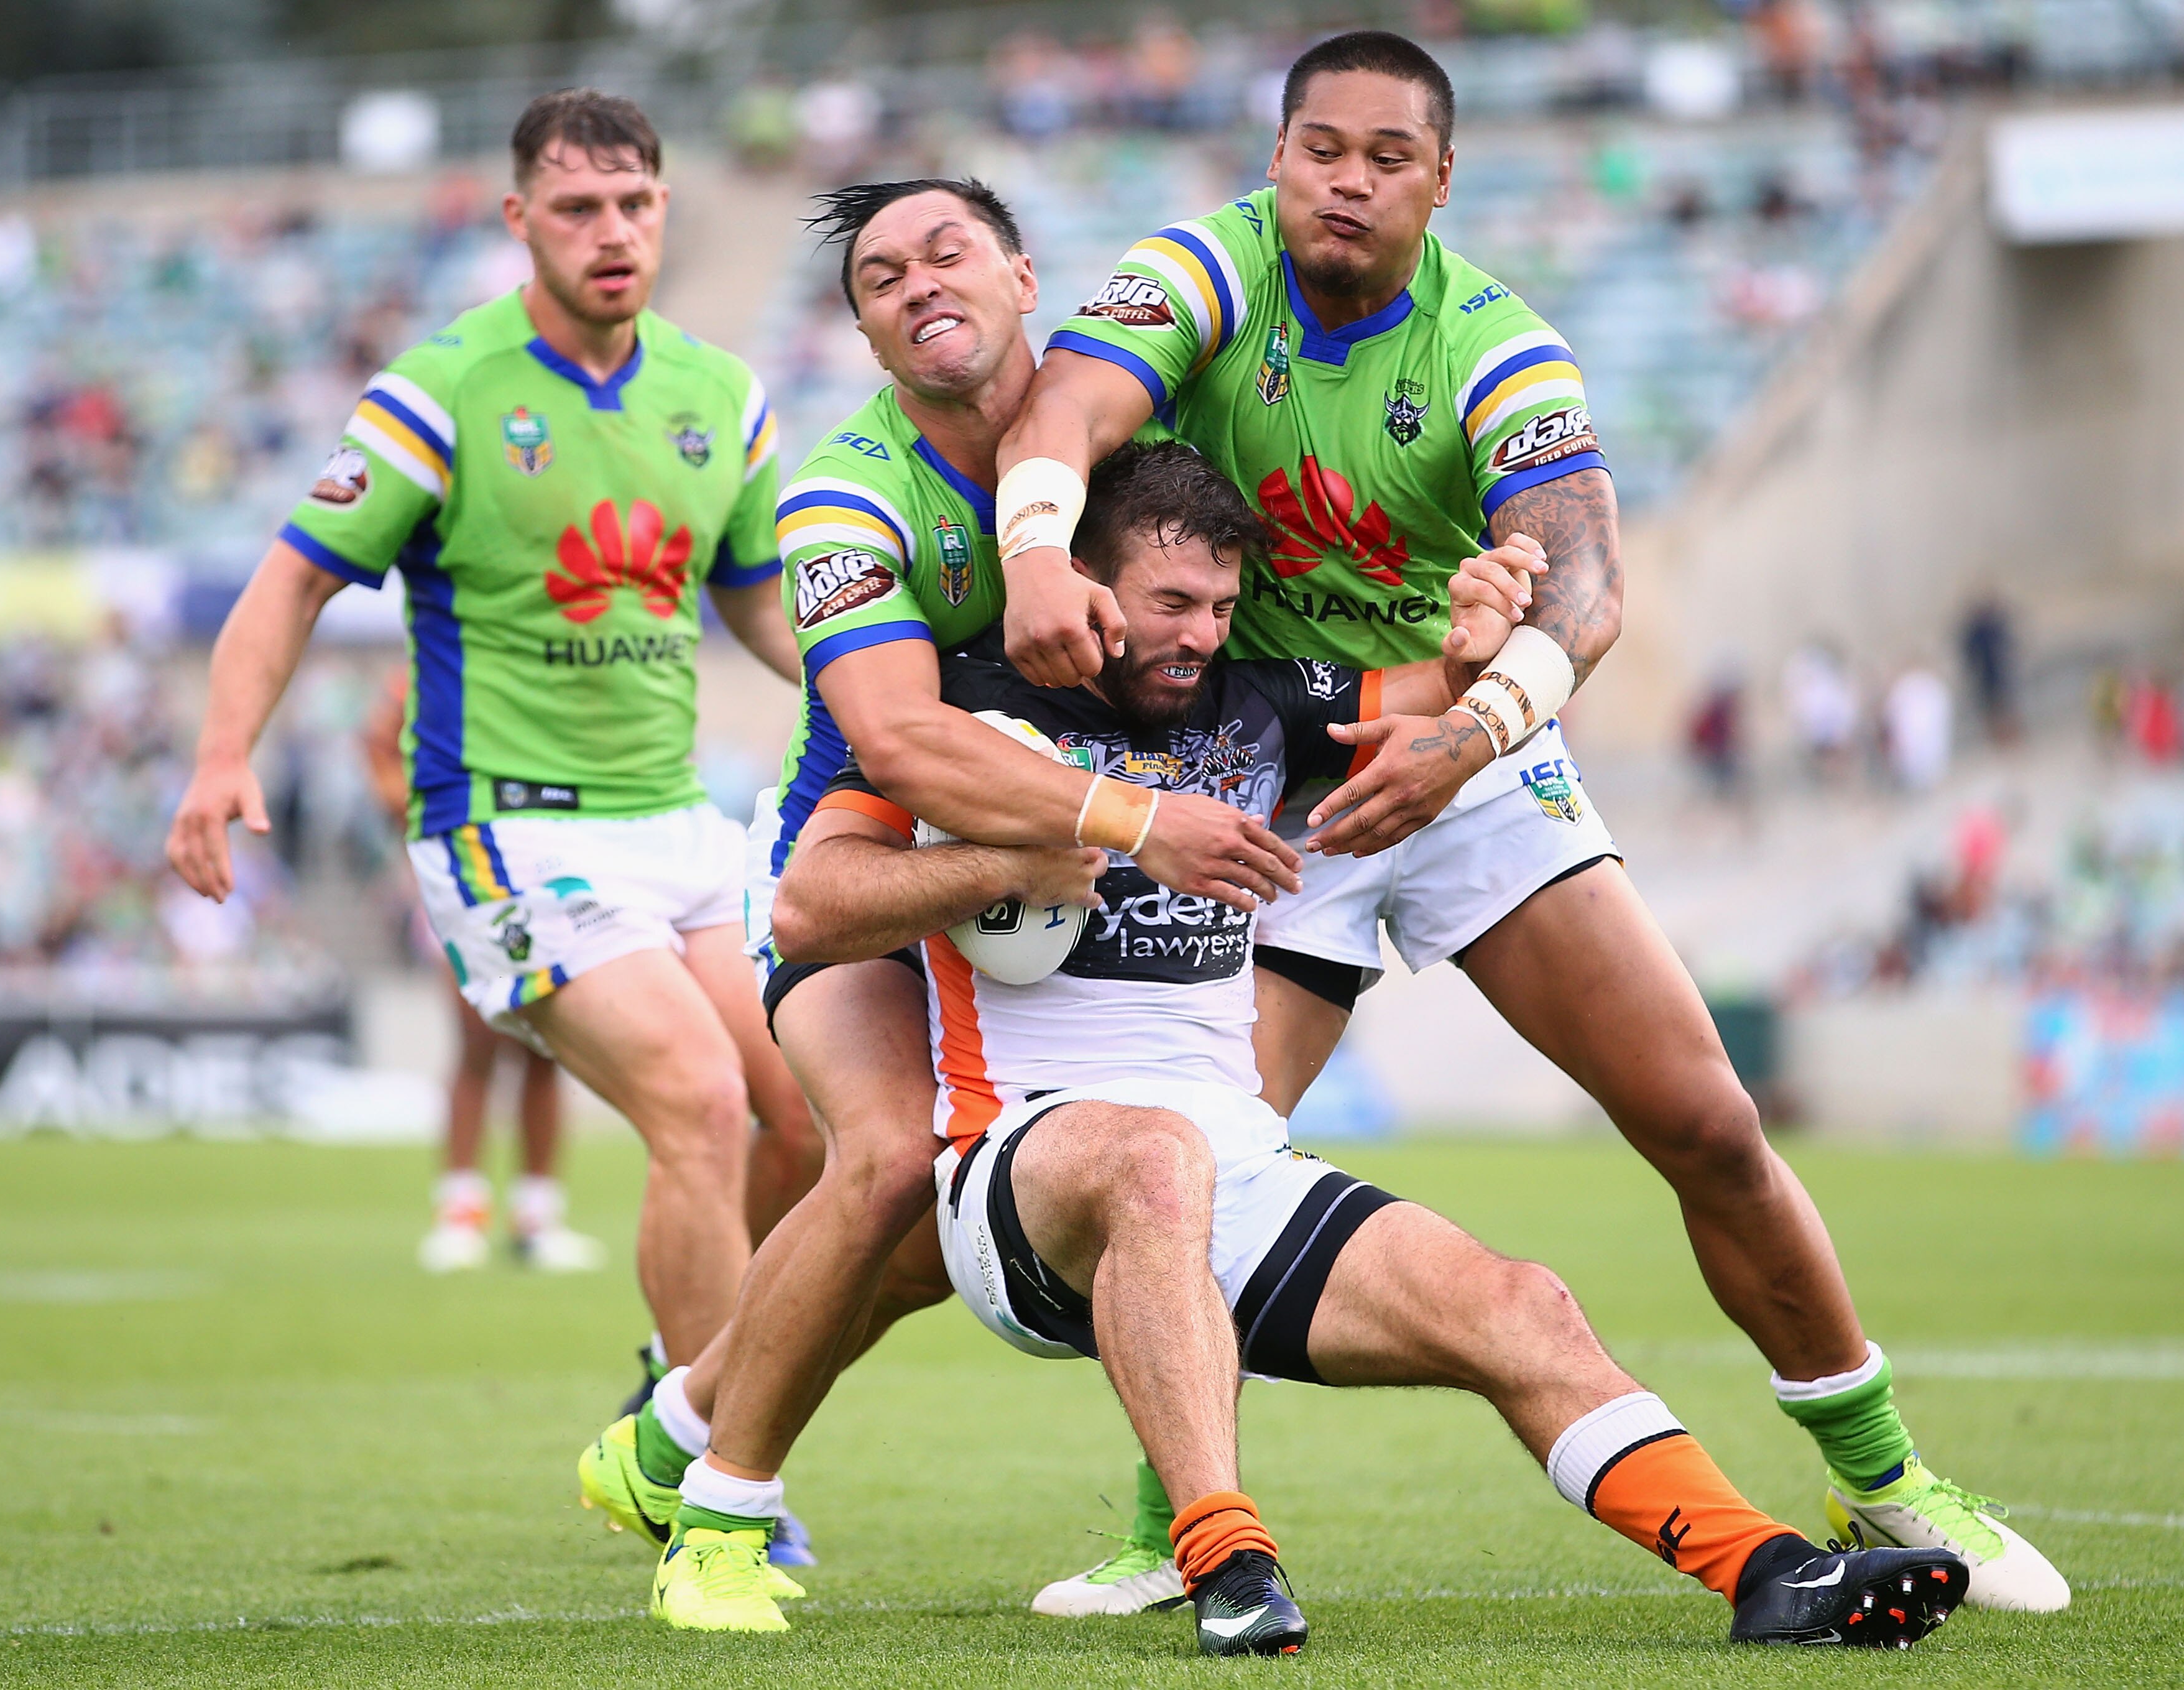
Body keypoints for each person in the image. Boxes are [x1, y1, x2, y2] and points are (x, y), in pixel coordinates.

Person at [993, 29, 2067, 1614]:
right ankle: (1179, 1523)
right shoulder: (1204, 270)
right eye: (1317, 149)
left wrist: (1475, 725)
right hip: (1262, 785)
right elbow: (1065, 408)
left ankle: (1885, 1475)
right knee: (1197, 1168)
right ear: (1275, 157)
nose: (1343, 180)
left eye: (1384, 156)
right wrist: (1034, 545)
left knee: (1702, 1119)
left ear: (1441, 179)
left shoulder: (1495, 341)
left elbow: (1580, 582)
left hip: (1462, 760)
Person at [724, 441, 1970, 1653]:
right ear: (1087, 583)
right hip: (1013, 1174)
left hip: (1227, 1172)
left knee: (1517, 1306)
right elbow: (809, 906)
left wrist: (1484, 650)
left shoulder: (1262, 707)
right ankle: (1225, 1558)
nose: (1200, 635)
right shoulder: (967, 711)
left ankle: (1767, 1573)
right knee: (1153, 1159)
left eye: (1220, 605)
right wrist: (1022, 863)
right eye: (1169, 603)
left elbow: (1444, 689)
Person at [573, 177, 1335, 1593]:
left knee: (1033, 1208)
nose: (919, 283)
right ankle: (720, 1528)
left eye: (948, 252)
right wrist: (1133, 819)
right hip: (864, 862)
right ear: (864, 331)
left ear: (1023, 274)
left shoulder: (1128, 445)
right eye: (880, 277)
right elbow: (899, 740)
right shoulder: (849, 498)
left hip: (1076, 864)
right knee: (883, 1173)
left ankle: (673, 1427)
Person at [165, 89, 819, 1388]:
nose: (611, 231)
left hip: (675, 823)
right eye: (577, 208)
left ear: (664, 207)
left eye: (633, 203)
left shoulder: (723, 395)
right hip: (504, 828)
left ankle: (674, 1389)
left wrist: (872, 694)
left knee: (805, 1121)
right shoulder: (440, 391)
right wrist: (221, 755)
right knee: (695, 1102)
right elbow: (293, 577)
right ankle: (711, 1482)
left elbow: (752, 591)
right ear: (521, 220)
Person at [360, 670, 598, 1273]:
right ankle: (460, 1211)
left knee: (548, 1049)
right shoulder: (447, 661)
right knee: (476, 1042)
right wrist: (405, 805)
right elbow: (377, 737)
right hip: (469, 873)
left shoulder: (555, 666)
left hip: (549, 870)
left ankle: (536, 1216)